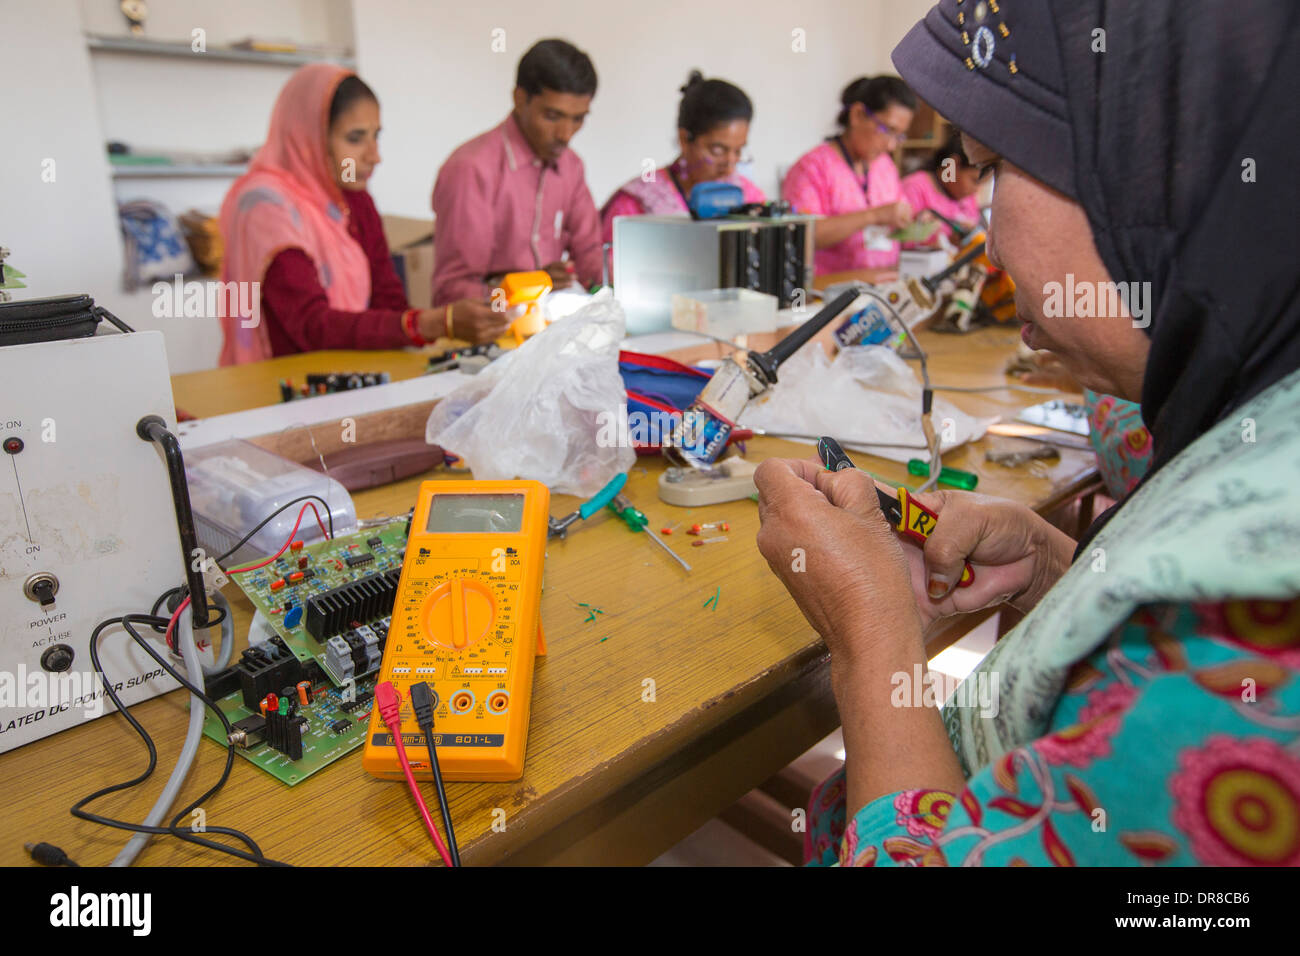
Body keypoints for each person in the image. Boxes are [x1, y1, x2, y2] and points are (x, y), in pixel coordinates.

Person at [756, 0, 1300, 867]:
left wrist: (872, 639)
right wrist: (1061, 569)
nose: (991, 248)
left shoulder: (1241, 659)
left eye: (996, 167)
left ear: (1156, 167)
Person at [218, 64, 506, 364]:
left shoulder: (354, 200)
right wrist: (432, 323)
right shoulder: (265, 205)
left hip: (357, 372)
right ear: (309, 136)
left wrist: (428, 327)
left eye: (375, 136)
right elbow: (312, 326)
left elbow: (388, 299)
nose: (374, 156)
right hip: (285, 385)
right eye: (355, 138)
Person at [431, 39, 604, 307]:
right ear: (520, 99)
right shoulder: (471, 169)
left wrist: (616, 281)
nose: (566, 134)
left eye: (578, 119)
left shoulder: (571, 167)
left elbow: (591, 257)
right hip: (490, 337)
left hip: (551, 331)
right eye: (552, 116)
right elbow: (451, 294)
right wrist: (526, 285)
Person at [599, 71, 764, 246]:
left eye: (738, 151)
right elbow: (609, 269)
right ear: (685, 139)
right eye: (717, 151)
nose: (730, 168)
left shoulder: (749, 198)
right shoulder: (634, 207)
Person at [781, 76, 916, 280]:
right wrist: (874, 216)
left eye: (899, 136)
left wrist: (912, 223)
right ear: (858, 115)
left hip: (882, 285)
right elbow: (803, 235)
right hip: (829, 292)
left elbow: (896, 219)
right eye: (888, 130)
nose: (891, 146)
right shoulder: (812, 167)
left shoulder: (884, 166)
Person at [899, 131, 982, 244]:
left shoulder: (967, 198)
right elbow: (901, 241)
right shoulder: (914, 187)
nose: (977, 189)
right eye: (974, 181)